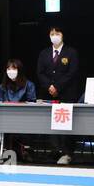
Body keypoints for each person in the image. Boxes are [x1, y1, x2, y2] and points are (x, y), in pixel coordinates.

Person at [36, 26, 82, 165]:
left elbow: (72, 72)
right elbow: (40, 72)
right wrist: (49, 86)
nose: (54, 35)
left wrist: (58, 86)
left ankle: (67, 153)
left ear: (62, 35)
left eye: (57, 33)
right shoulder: (44, 53)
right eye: (52, 33)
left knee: (65, 123)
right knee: (52, 124)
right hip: (49, 94)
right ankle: (55, 150)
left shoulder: (71, 52)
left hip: (67, 94)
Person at [0, 58, 37, 163]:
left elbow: (32, 103)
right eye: (8, 68)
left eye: (14, 68)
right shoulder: (1, 87)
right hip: (6, 118)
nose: (11, 71)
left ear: (20, 70)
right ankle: (7, 151)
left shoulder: (29, 85)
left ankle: (23, 151)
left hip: (24, 118)